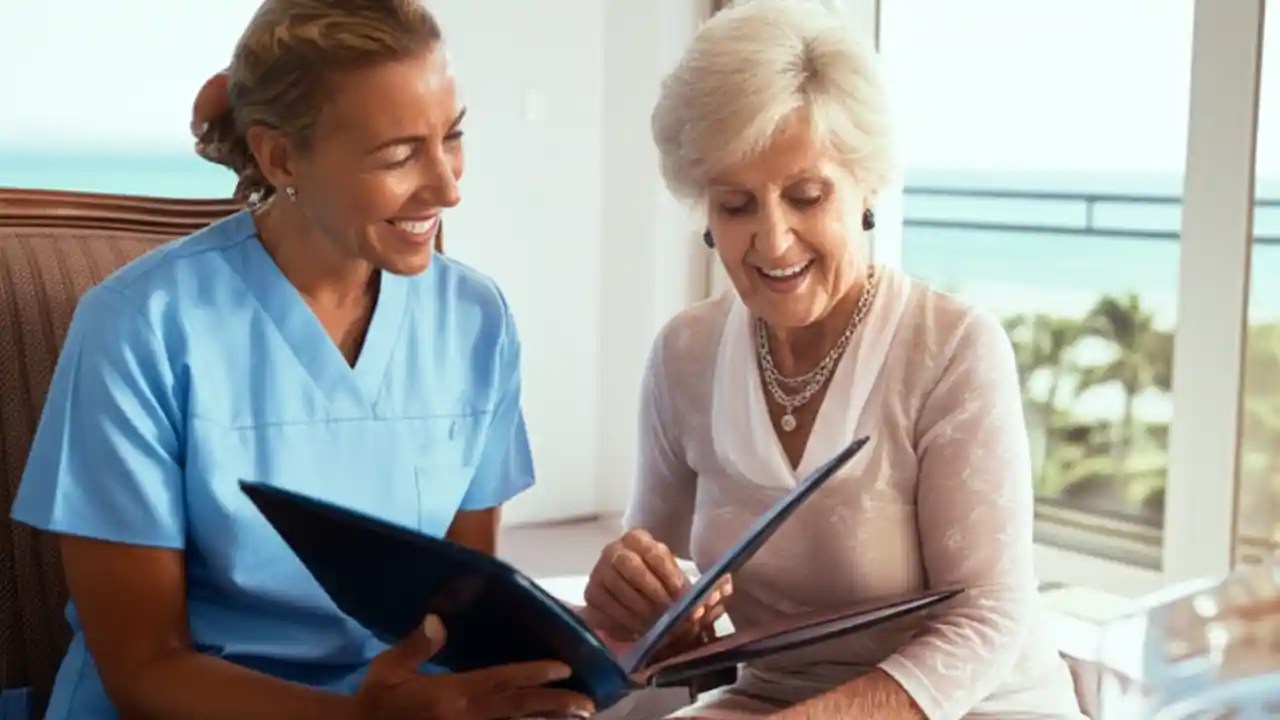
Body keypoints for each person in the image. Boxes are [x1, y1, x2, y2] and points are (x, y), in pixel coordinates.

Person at [8, 1, 595, 718]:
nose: (448, 187)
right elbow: (142, 668)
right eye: (399, 154)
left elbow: (462, 610)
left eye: (453, 136)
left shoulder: (476, 319)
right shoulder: (141, 326)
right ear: (281, 157)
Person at [583, 1, 1088, 718]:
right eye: (736, 206)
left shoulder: (952, 347)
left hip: (974, 704)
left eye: (806, 196)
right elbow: (659, 623)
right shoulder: (683, 356)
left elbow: (990, 617)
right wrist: (643, 605)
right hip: (773, 699)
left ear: (866, 185)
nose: (774, 241)